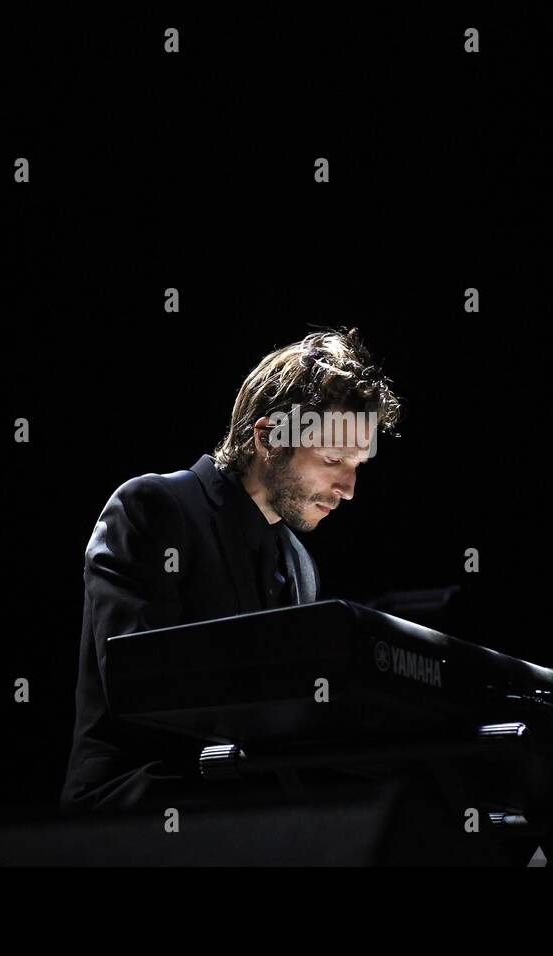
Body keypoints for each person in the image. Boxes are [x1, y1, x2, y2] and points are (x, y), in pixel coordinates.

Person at [59, 328, 402, 813]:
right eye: (333, 459)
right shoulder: (154, 506)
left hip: (246, 807)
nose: (348, 488)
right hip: (138, 805)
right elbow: (143, 689)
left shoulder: (300, 564)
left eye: (357, 465)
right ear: (267, 438)